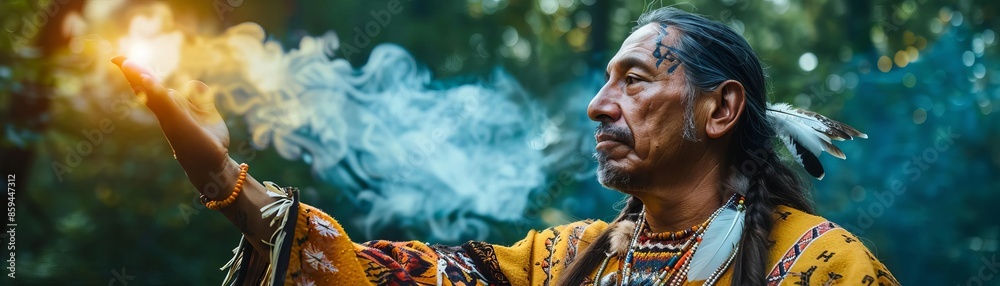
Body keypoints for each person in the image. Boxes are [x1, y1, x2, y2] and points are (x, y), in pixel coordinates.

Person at [113, 7, 898, 286]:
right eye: (603, 80)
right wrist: (220, 175)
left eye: (632, 79)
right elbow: (381, 278)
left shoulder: (827, 268)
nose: (599, 104)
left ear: (722, 107)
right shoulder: (563, 261)